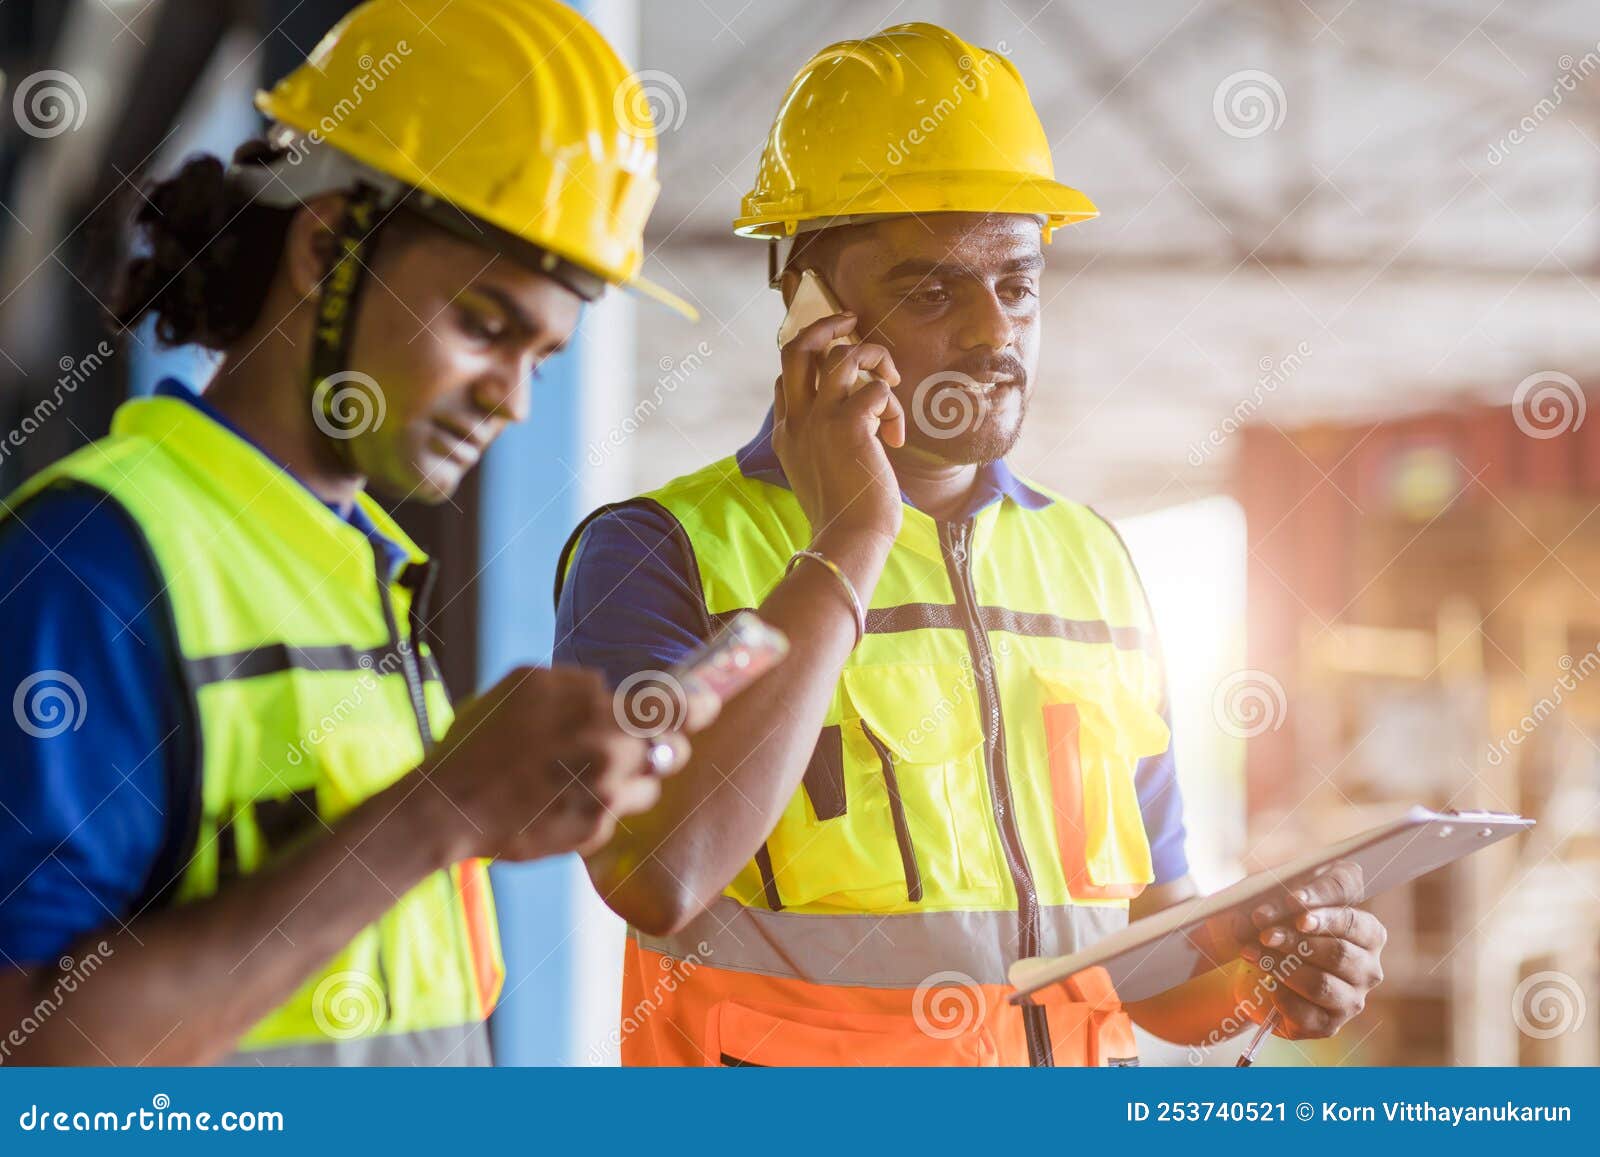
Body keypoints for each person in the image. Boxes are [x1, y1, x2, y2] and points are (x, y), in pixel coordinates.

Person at [554, 21, 1386, 1066]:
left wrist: (1265, 976)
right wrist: (854, 538)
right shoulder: (657, 552)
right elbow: (660, 872)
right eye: (932, 289)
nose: (995, 333)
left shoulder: (1092, 563)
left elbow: (1147, 963)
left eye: (1018, 283)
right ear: (809, 304)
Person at [0, 0, 703, 1066]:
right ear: (326, 248)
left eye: (543, 356)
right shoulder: (94, 566)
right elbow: (31, 1068)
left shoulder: (360, 571)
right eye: (483, 325)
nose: (510, 398)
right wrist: (444, 808)